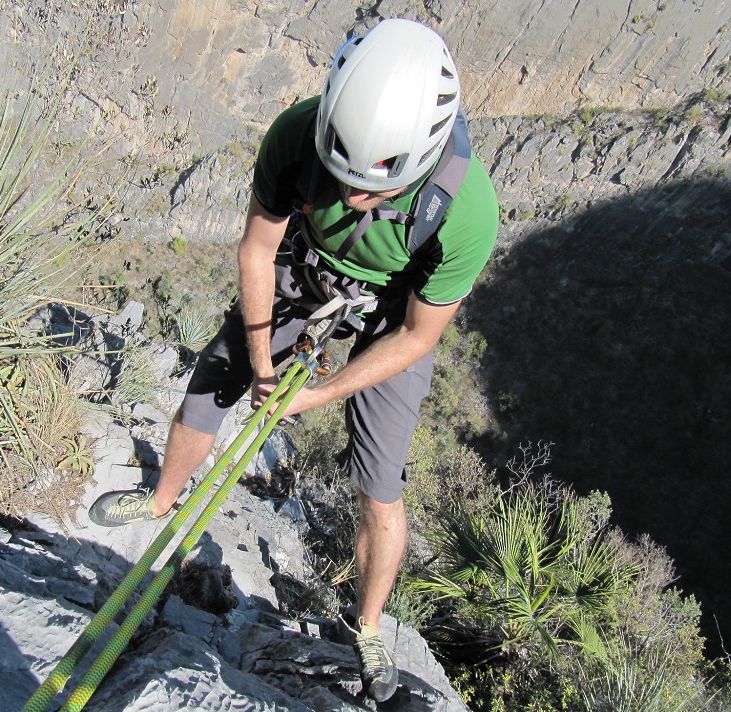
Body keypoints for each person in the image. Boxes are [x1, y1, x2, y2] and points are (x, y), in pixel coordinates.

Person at [90, 18, 499, 703]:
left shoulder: (464, 213)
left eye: (373, 191)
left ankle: (367, 626)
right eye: (340, 179)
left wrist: (319, 393)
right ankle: (161, 500)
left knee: (379, 487)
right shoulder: (296, 135)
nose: (351, 199)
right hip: (303, 267)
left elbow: (417, 338)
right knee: (210, 385)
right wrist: (262, 361)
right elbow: (257, 249)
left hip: (392, 313)